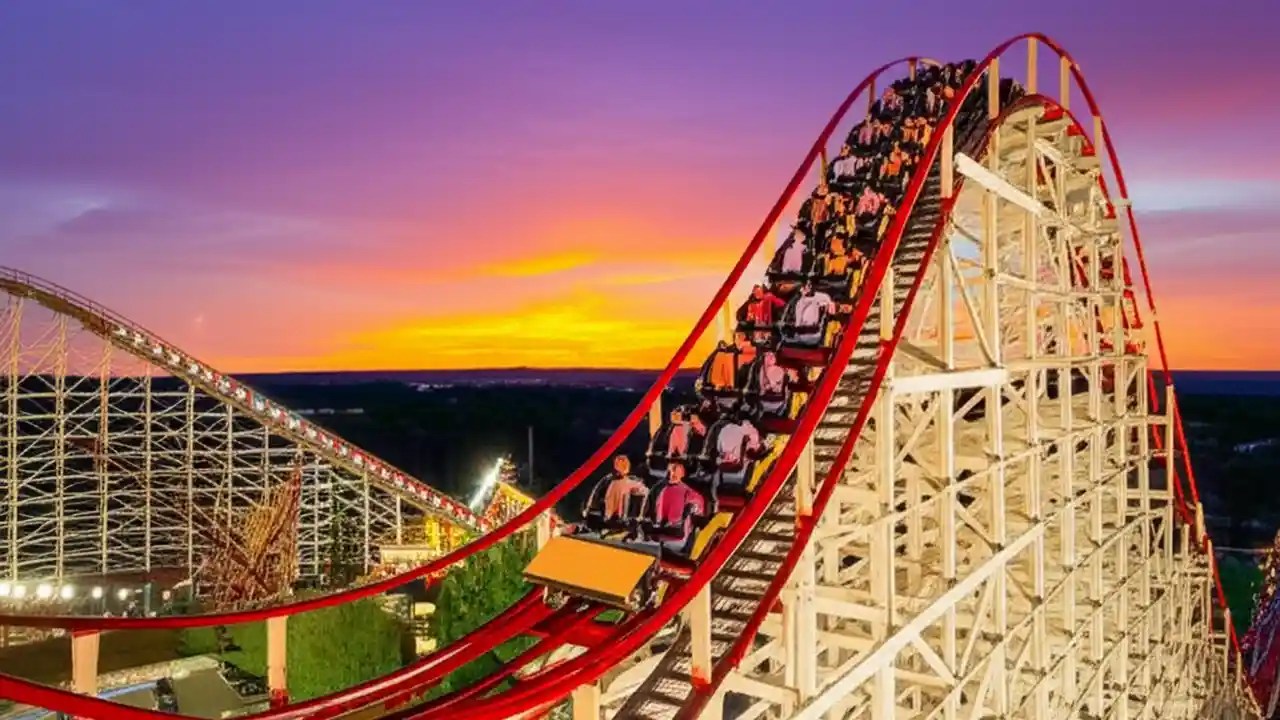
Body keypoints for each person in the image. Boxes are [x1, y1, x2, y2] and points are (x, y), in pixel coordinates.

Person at [647, 462, 705, 552]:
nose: (671, 474)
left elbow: (698, 505)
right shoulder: (660, 489)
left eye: (674, 471)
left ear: (682, 474)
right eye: (669, 471)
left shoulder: (688, 492)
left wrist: (692, 508)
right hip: (658, 532)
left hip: (676, 536)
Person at [602, 455, 647, 521]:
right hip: (613, 513)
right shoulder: (612, 480)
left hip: (613, 514)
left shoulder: (630, 481)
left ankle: (625, 517)